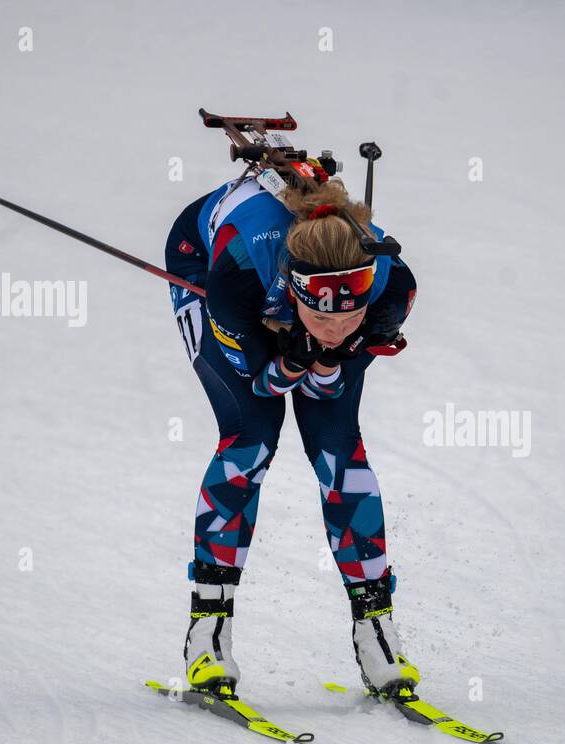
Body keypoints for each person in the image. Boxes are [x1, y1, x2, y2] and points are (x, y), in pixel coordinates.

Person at [162, 168, 418, 698]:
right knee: (251, 438)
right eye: (322, 318)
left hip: (285, 291)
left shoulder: (393, 287)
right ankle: (207, 631)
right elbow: (263, 381)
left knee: (339, 451)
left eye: (351, 316)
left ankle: (376, 627)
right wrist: (293, 359)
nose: (337, 328)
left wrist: (324, 355)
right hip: (207, 257)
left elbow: (327, 388)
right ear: (295, 292)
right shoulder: (238, 276)